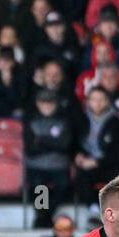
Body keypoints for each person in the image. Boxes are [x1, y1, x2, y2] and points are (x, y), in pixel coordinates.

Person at [24, 89, 73, 227]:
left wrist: (41, 141)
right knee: (40, 187)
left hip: (59, 165)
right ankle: (43, 216)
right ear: (37, 104)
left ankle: (45, 215)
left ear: (56, 104)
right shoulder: (31, 120)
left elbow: (65, 145)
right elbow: (30, 149)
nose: (47, 106)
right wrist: (53, 142)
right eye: (43, 102)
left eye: (50, 103)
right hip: (36, 166)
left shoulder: (64, 120)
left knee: (63, 186)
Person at [73, 86, 119, 212]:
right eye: (93, 99)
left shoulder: (118, 123)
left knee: (116, 181)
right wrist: (78, 155)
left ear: (108, 101)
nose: (97, 103)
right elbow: (74, 143)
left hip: (109, 165)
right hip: (86, 163)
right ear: (87, 102)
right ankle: (93, 210)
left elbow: (118, 152)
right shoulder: (80, 120)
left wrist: (97, 162)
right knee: (80, 177)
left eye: (101, 99)